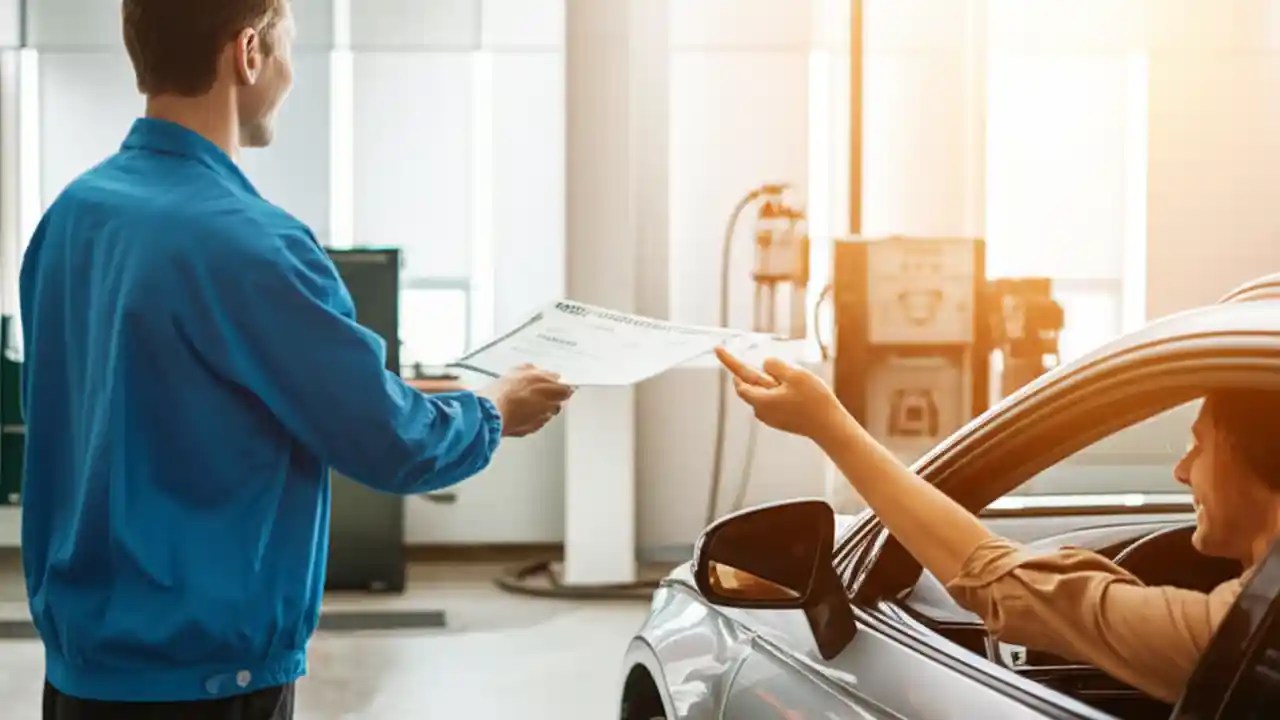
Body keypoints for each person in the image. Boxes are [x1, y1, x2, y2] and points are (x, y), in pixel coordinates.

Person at [19, 1, 573, 718]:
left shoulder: (72, 217)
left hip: (80, 678)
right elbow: (390, 439)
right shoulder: (251, 244)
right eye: (289, 50)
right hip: (206, 689)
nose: (289, 73)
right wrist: (494, 410)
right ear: (248, 53)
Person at [716, 347, 1280, 705]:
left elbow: (1001, 583)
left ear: (1254, 454)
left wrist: (829, 426)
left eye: (1198, 446)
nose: (1181, 472)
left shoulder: (1245, 638)